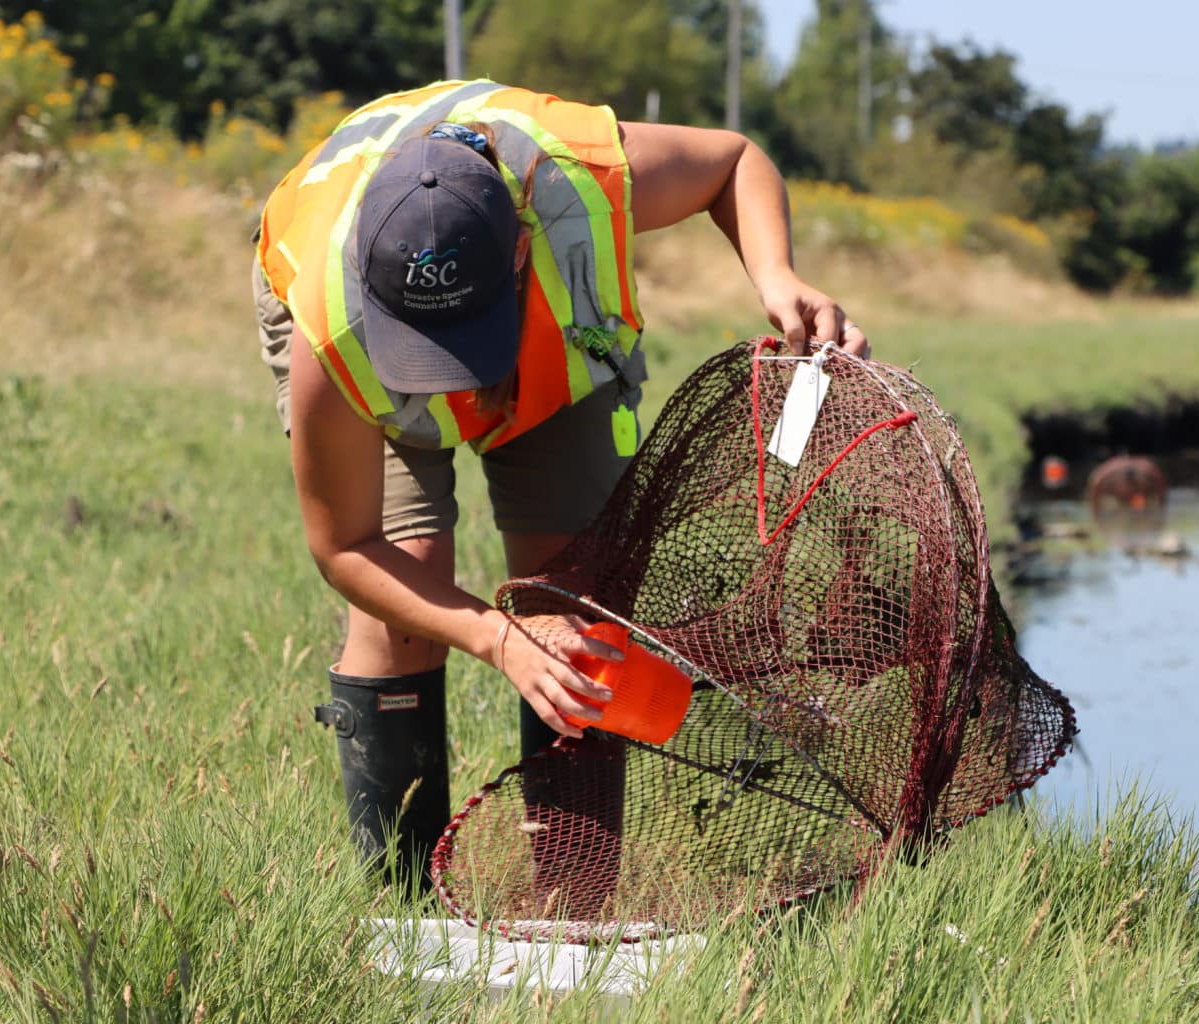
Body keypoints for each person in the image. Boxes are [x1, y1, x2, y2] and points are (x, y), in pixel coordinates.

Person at [253, 78, 869, 886]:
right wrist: (495, 637)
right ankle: (398, 907)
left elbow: (734, 162)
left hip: (557, 343)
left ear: (519, 247)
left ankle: (570, 901)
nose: (448, 390)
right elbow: (345, 548)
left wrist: (777, 274)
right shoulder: (327, 315)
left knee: (574, 600)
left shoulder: (585, 174)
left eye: (461, 348)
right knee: (406, 586)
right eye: (427, 354)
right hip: (367, 344)